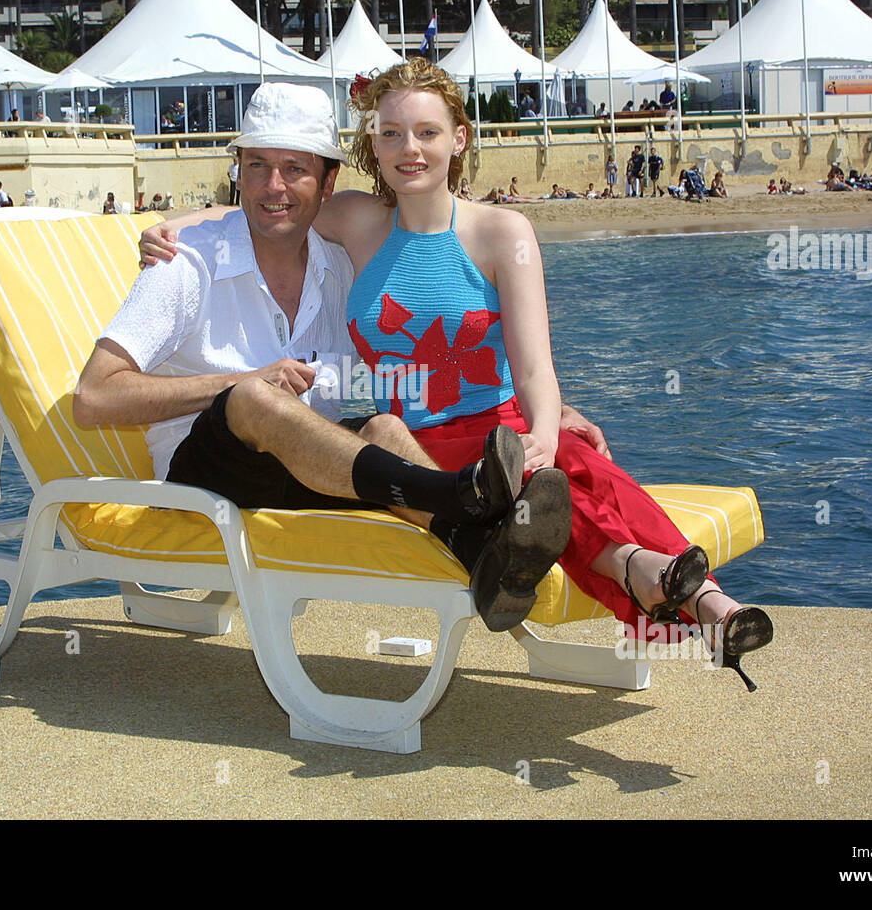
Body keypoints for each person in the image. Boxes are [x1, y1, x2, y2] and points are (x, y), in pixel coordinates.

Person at [142, 62, 774, 684]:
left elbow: (533, 368)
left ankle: (685, 589)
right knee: (536, 484)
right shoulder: (356, 221)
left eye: (426, 132)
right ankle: (680, 589)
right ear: (372, 145)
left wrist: (548, 430)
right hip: (406, 444)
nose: (408, 148)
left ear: (460, 138)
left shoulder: (502, 232)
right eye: (390, 133)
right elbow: (261, 212)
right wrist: (167, 228)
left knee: (558, 469)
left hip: (495, 426)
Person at [81, 82, 574, 630]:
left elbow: (389, 375)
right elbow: (94, 396)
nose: (275, 186)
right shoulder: (185, 264)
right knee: (252, 398)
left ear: (328, 184)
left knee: (384, 426)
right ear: (238, 172)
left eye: (295, 168)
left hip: (313, 472)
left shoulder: (339, 268)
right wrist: (241, 381)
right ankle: (462, 495)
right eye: (258, 166)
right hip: (206, 481)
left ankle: (478, 547)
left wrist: (555, 413)